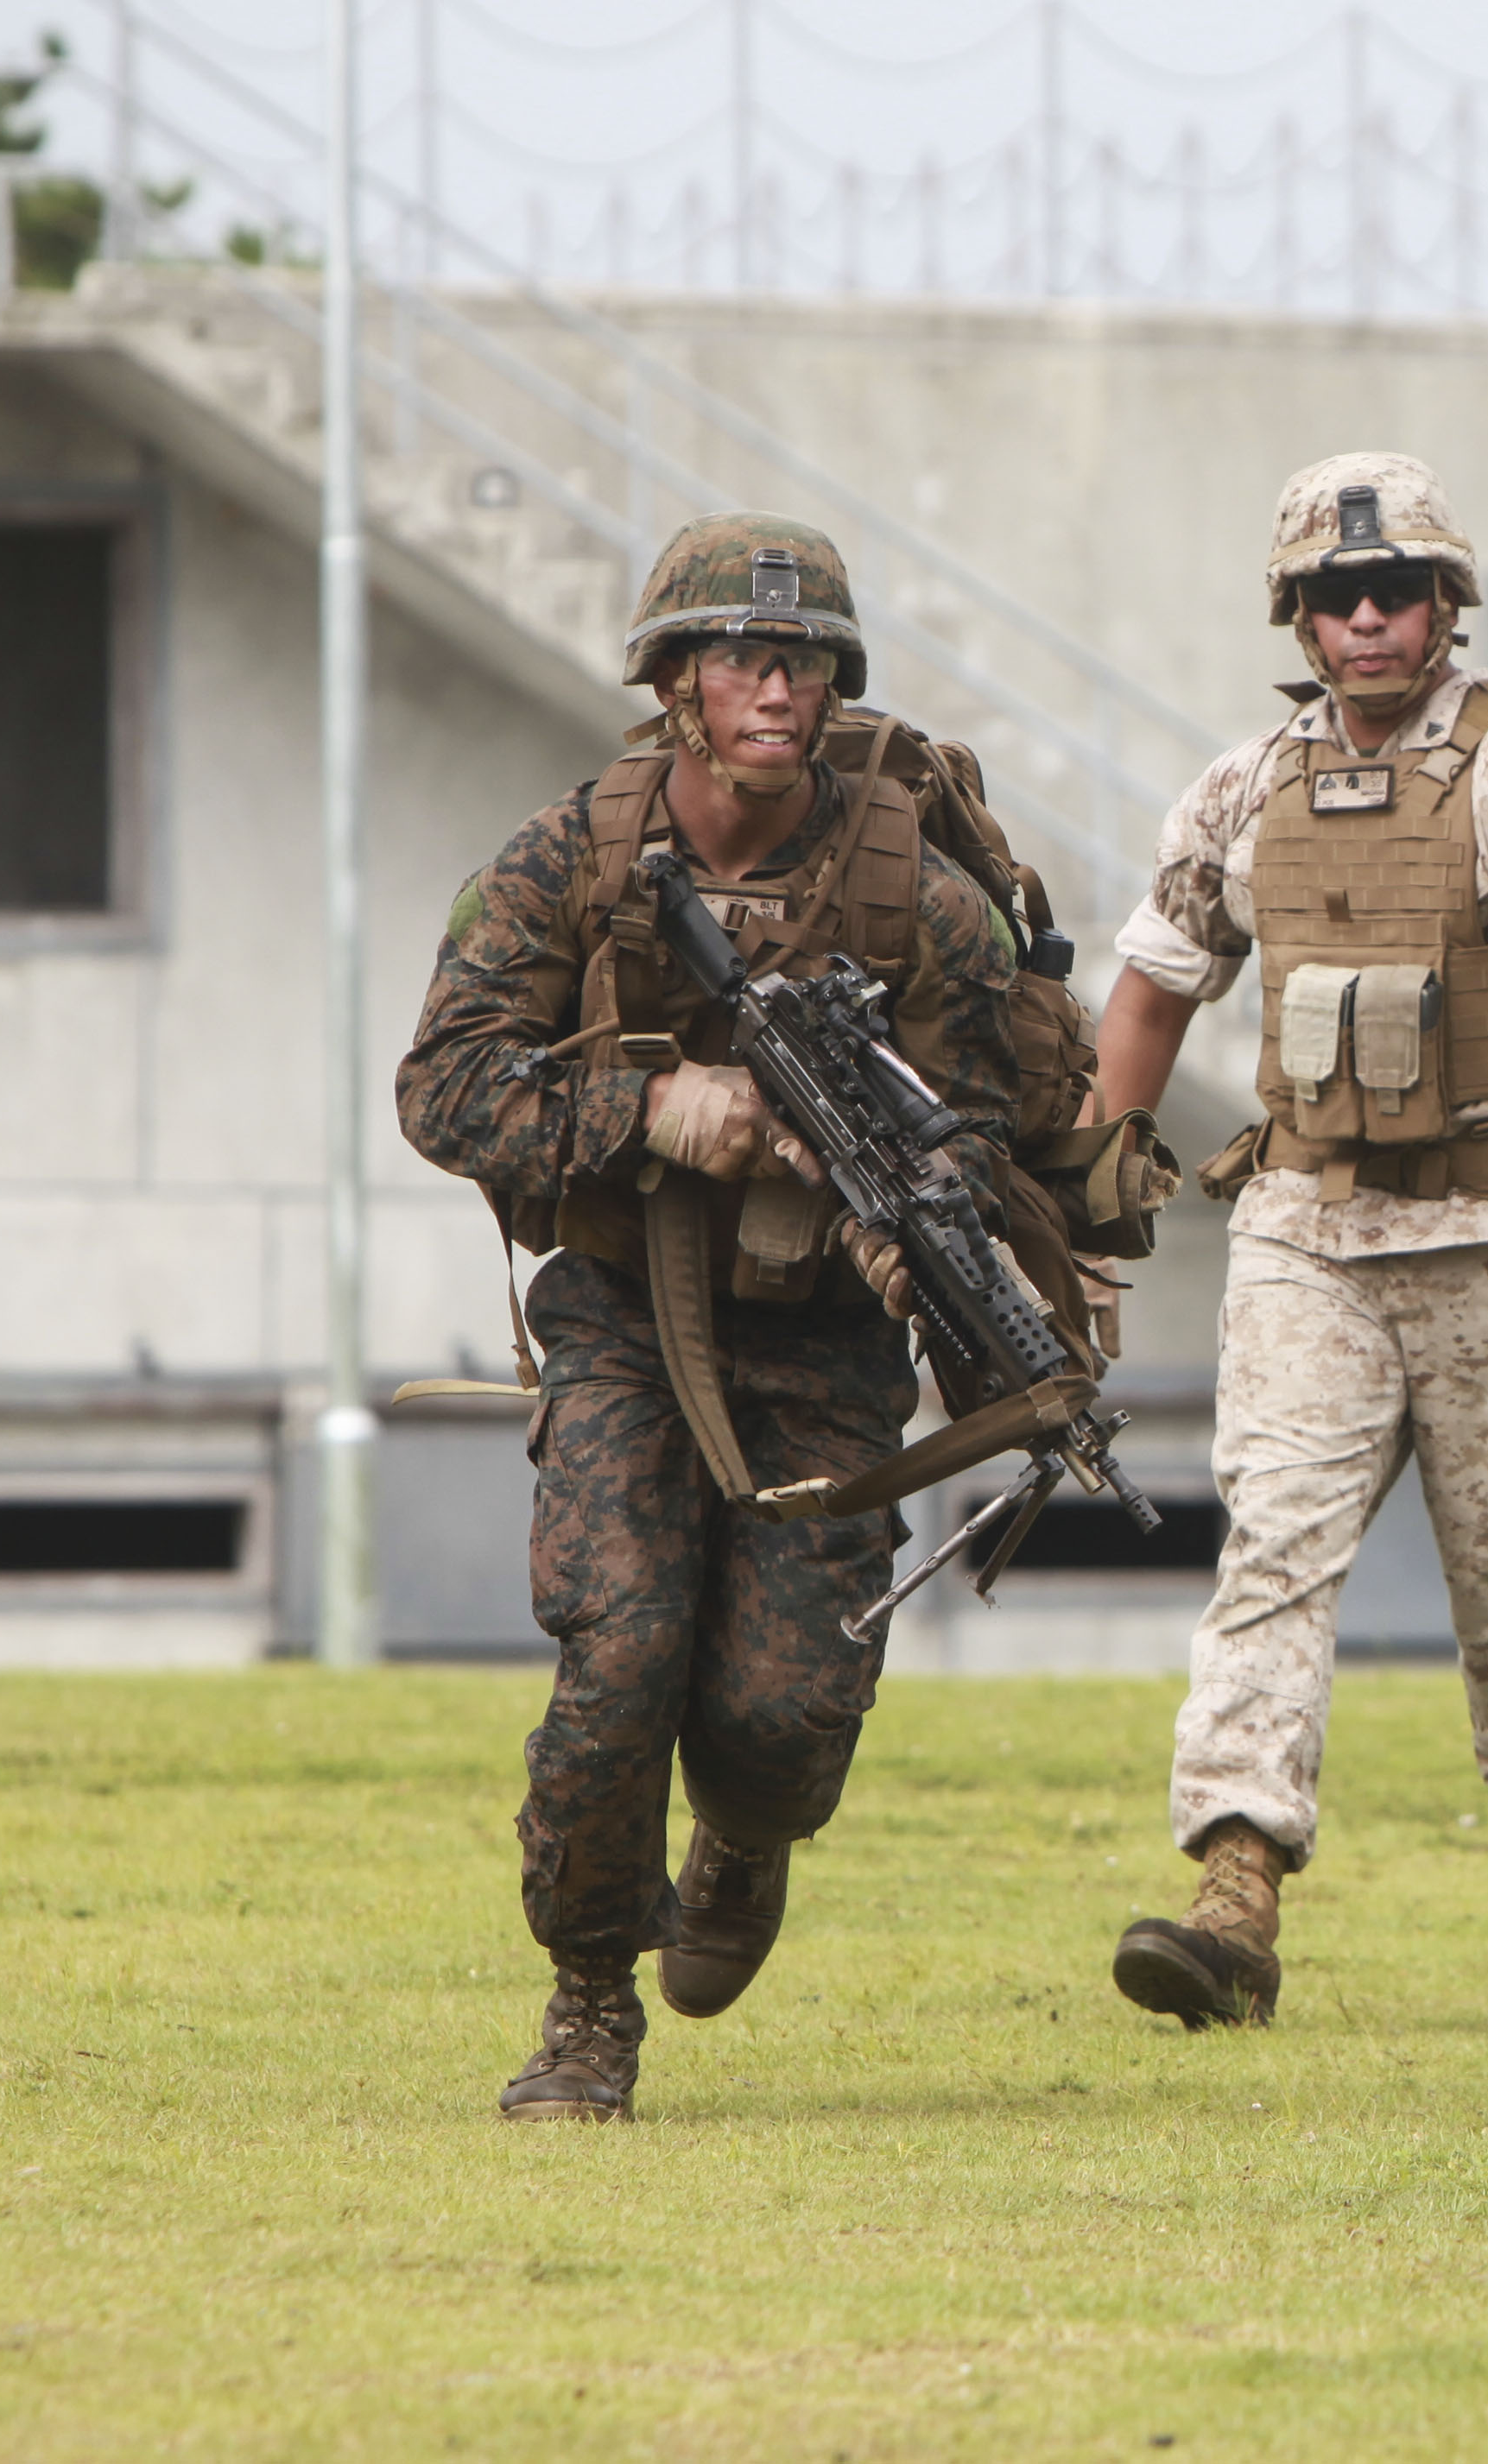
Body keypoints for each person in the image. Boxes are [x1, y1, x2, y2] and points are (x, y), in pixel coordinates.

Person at [397, 514, 1026, 2120]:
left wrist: (907, 1223)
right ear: (672, 681)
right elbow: (441, 1084)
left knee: (777, 1714)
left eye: (806, 659)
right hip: (619, 1307)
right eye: (745, 656)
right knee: (621, 1658)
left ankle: (744, 1837)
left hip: (819, 1339)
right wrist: (650, 1106)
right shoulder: (573, 860)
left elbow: (987, 1132)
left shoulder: (919, 903)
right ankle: (589, 2005)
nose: (779, 688)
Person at [1090, 452, 1488, 2032]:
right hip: (1311, 1234)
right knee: (1269, 1548)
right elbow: (1155, 982)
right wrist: (1092, 1179)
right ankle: (1235, 1891)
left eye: (1398, 589)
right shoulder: (1242, 789)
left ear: (1446, 603)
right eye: (1337, 595)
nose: (1369, 618)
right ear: (1297, 612)